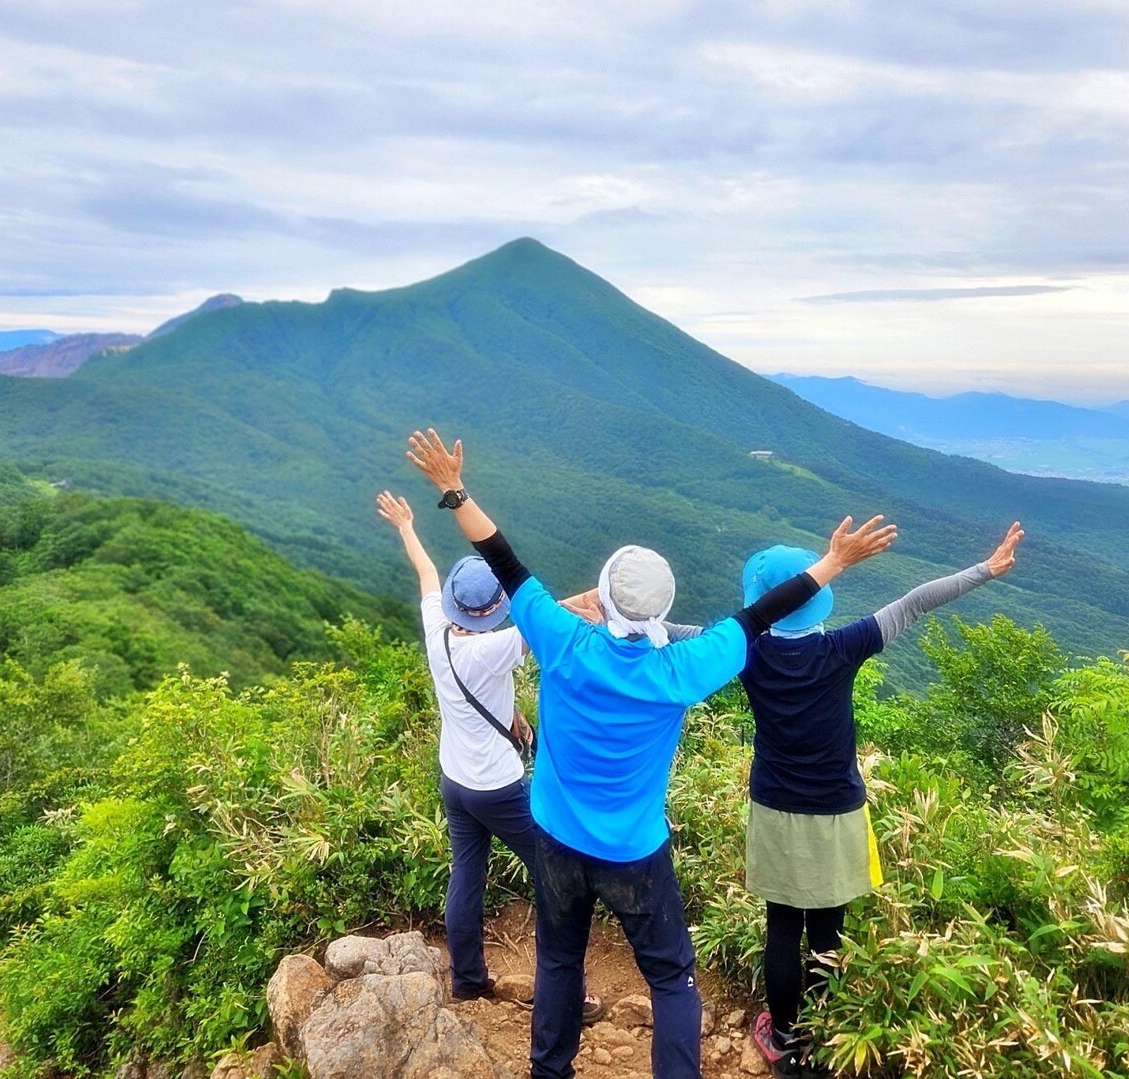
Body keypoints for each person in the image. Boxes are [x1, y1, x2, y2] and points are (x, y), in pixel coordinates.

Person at [403, 428, 897, 1079]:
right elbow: (760, 616)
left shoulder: (560, 639)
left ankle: (549, 1071)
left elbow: (502, 558)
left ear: (601, 599)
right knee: (670, 979)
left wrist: (452, 487)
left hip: (554, 835)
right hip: (633, 850)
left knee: (557, 959)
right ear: (662, 610)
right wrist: (831, 563)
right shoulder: (685, 667)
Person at [733, 523, 1025, 1078]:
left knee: (780, 926)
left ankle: (785, 1037)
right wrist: (985, 570)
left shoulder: (745, 651)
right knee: (827, 930)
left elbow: (674, 633)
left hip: (774, 805)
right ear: (819, 602)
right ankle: (824, 1041)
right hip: (838, 809)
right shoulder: (845, 646)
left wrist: (603, 614)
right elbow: (915, 603)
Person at [374, 491, 603, 1021]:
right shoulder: (495, 646)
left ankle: (469, 982)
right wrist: (600, 594)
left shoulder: (438, 632)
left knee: (466, 875)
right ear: (497, 608)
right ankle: (571, 996)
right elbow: (549, 619)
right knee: (554, 876)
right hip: (499, 787)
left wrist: (407, 526)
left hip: (454, 780)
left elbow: (426, 572)